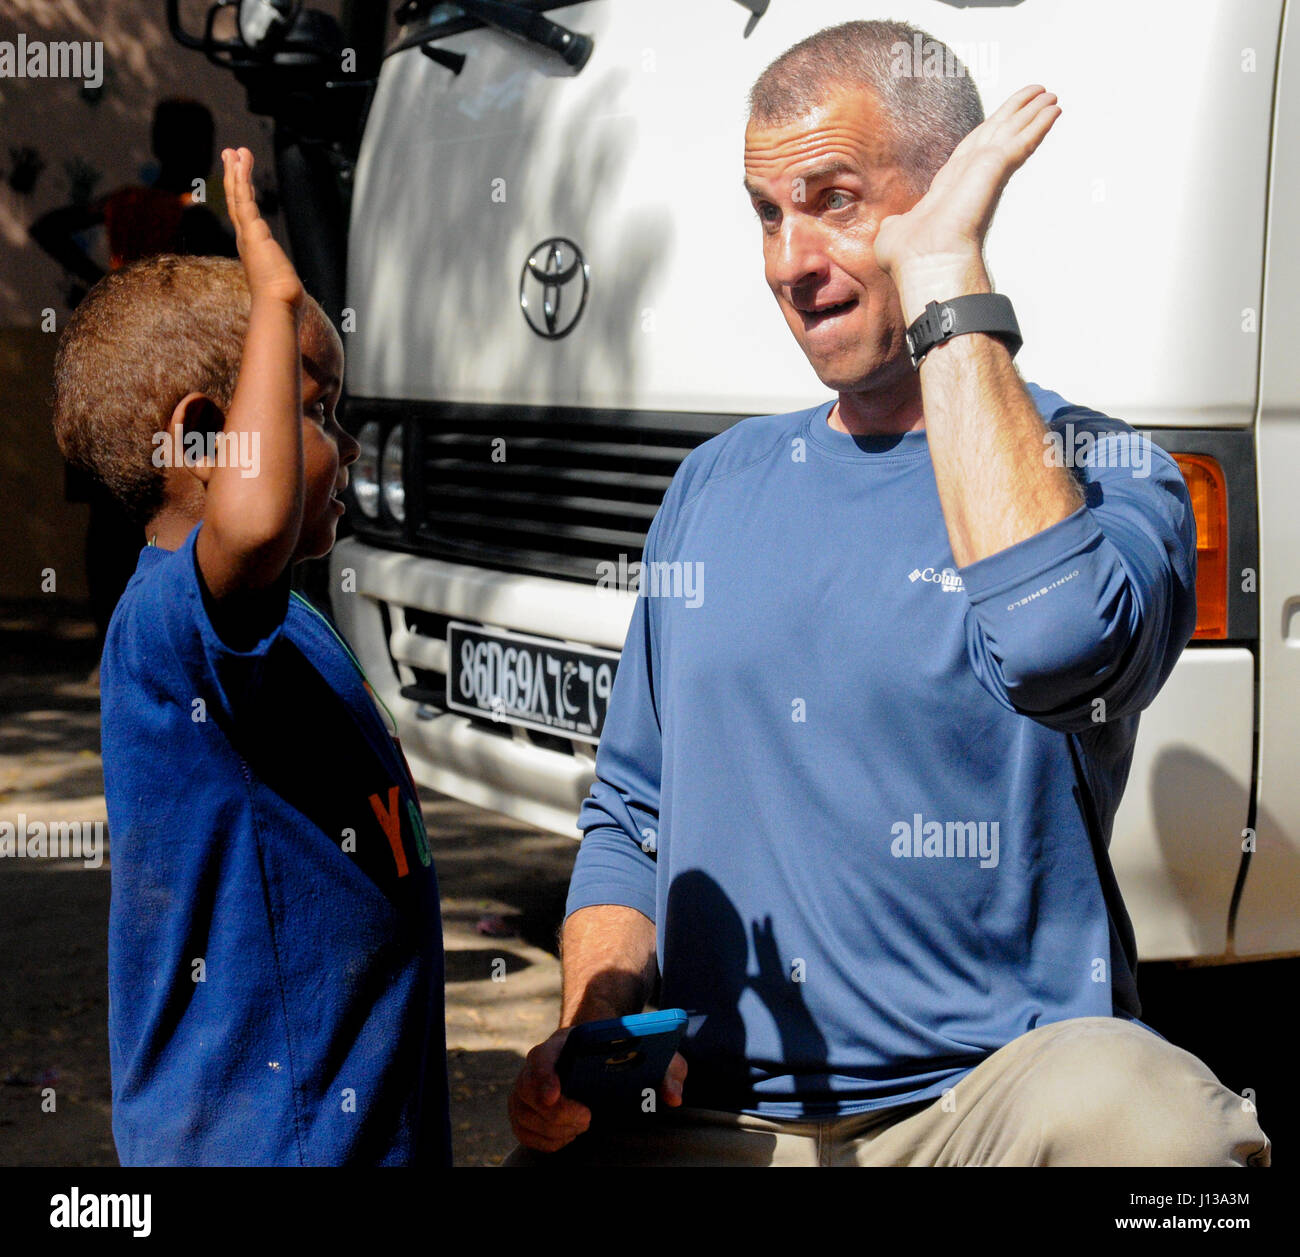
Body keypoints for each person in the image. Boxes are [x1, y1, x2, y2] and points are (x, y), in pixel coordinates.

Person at [506, 19, 1271, 1167]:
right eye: (766, 212)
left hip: (983, 1110)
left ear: (946, 197)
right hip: (719, 1116)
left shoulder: (1111, 470)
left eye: (834, 200)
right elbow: (631, 815)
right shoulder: (712, 486)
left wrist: (948, 287)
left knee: (1168, 1137)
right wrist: (598, 1026)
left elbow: (1055, 643)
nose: (785, 260)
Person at [51, 148, 450, 1165]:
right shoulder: (171, 626)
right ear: (195, 443)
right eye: (315, 412)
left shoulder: (286, 620)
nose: (347, 446)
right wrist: (273, 293)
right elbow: (256, 514)